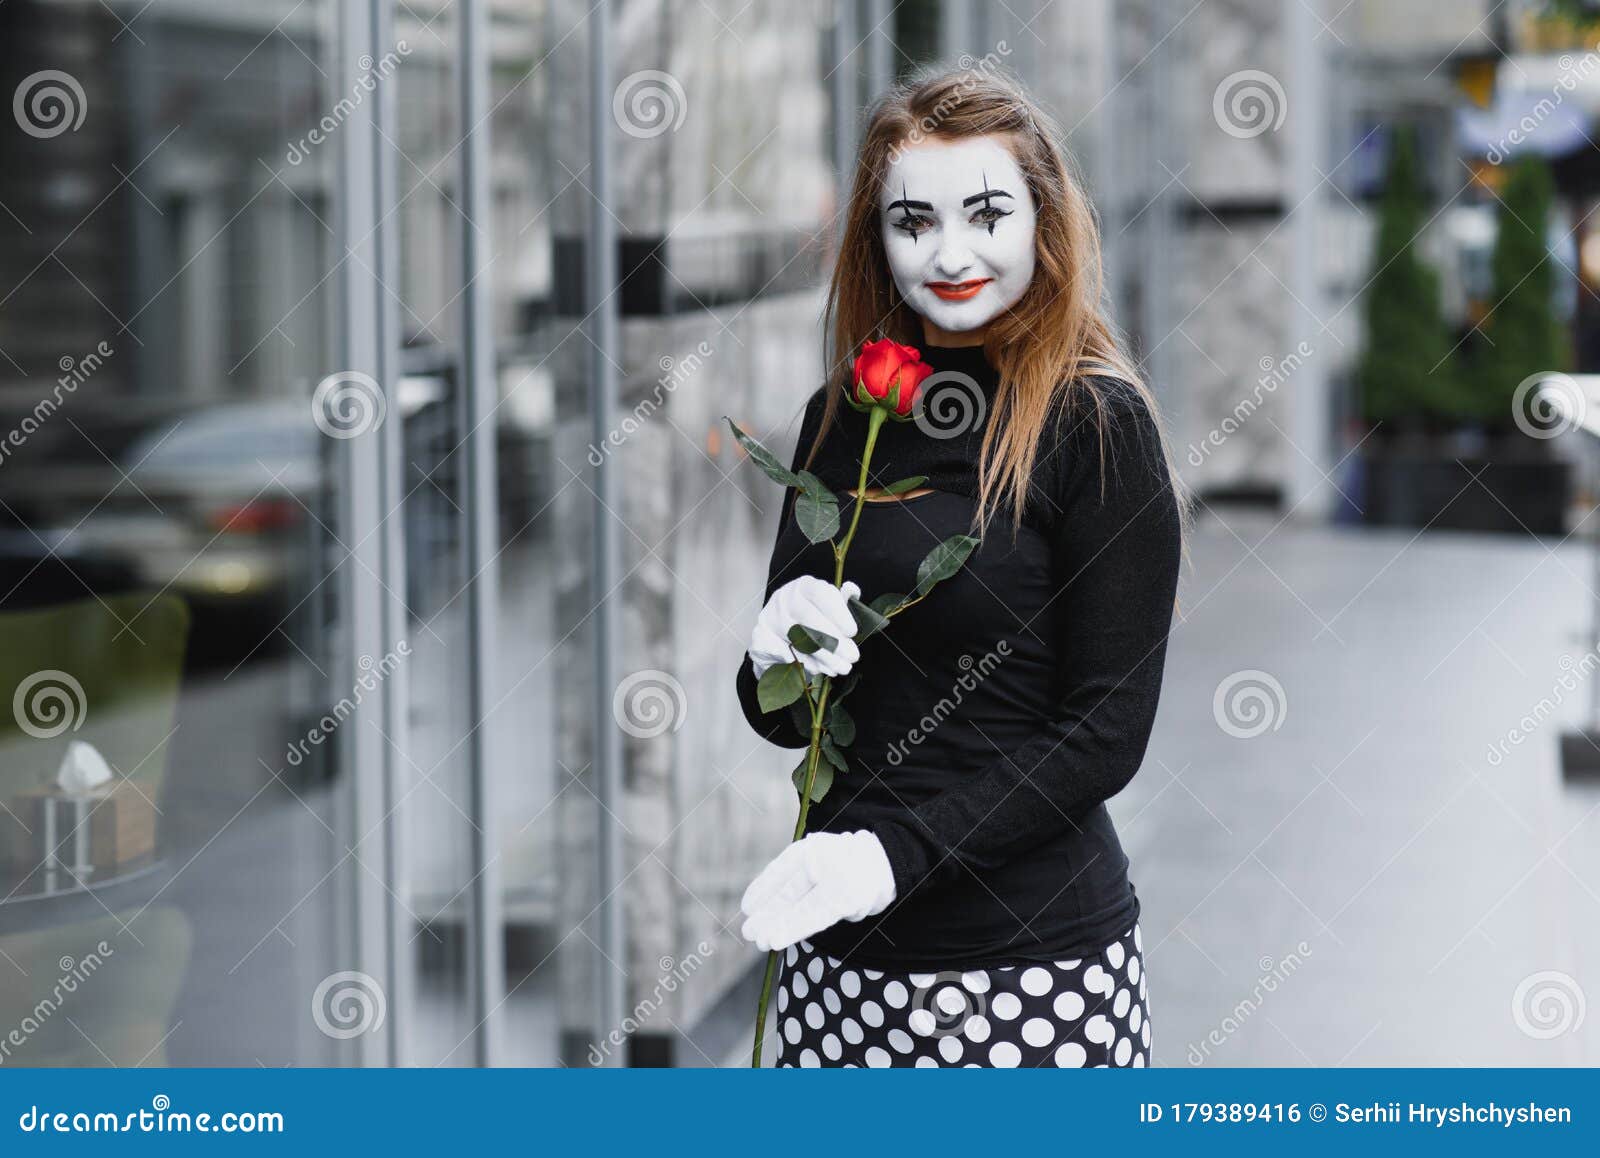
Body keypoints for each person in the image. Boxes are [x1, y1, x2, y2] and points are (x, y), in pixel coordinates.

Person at [733, 67, 1185, 1069]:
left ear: (1044, 223)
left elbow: (1104, 733)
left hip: (1028, 972)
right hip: (839, 961)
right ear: (875, 240)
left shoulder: (1094, 426)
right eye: (913, 222)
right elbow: (781, 718)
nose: (950, 253)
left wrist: (891, 855)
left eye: (985, 215)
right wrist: (776, 655)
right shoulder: (842, 417)